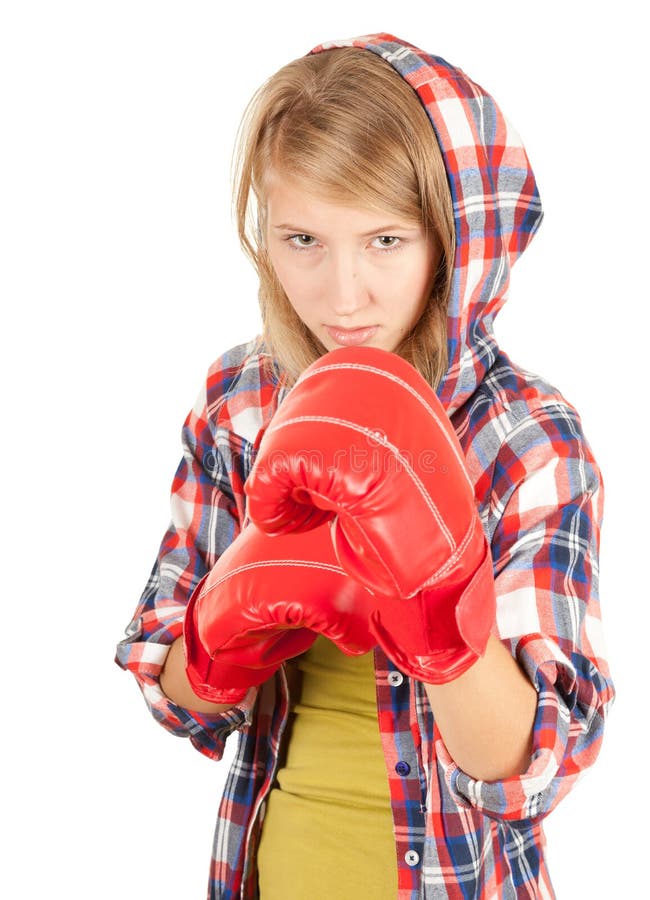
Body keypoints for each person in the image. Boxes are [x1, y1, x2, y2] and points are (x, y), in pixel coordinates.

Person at [115, 32, 615, 899]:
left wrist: (437, 602)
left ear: (455, 242)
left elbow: (531, 770)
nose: (342, 295)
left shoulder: (527, 437)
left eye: (385, 241)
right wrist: (225, 626)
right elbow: (169, 693)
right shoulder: (240, 404)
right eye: (302, 238)